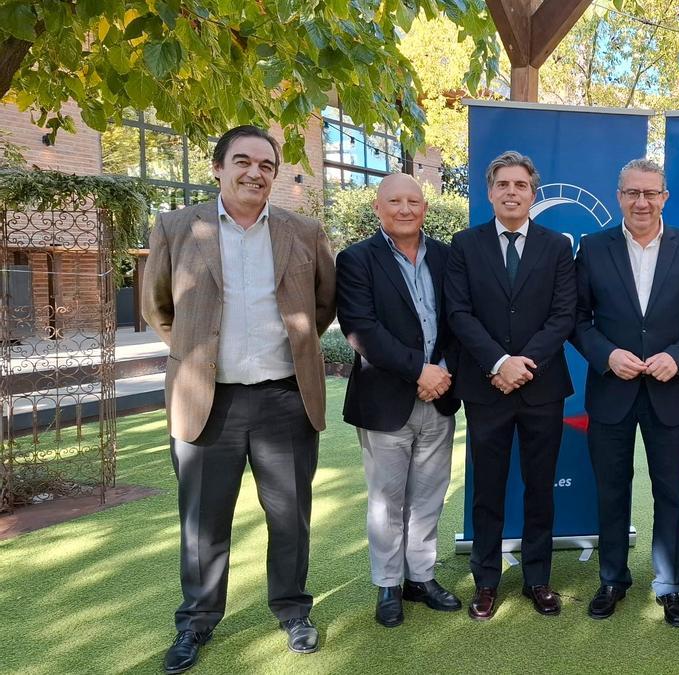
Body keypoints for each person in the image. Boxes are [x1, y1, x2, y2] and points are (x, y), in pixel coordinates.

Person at [142, 125, 336, 673]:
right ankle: (196, 623)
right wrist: (197, 355)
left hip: (284, 399)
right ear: (218, 167)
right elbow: (161, 310)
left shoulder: (304, 231)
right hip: (207, 402)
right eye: (243, 162)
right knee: (203, 523)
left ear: (275, 174)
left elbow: (322, 306)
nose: (255, 173)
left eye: (266, 165)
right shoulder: (178, 228)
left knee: (290, 516)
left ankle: (293, 610)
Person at [572, 159, 679, 627]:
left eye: (651, 193)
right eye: (632, 193)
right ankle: (612, 579)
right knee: (611, 490)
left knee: (670, 491)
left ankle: (671, 585)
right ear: (619, 196)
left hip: (669, 392)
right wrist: (606, 355)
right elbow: (578, 319)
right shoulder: (592, 248)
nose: (641, 202)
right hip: (611, 389)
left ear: (664, 197)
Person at [444, 150, 576, 620]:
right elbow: (458, 313)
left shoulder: (557, 246)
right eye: (504, 184)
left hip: (542, 388)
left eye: (521, 185)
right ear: (490, 191)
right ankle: (485, 581)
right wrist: (499, 363)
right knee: (488, 489)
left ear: (532, 193)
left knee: (540, 488)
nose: (512, 192)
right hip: (486, 389)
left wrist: (524, 364)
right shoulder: (464, 245)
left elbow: (564, 314)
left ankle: (538, 579)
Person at [336, 173, 462, 628]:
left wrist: (441, 370)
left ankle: (421, 578)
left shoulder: (448, 258)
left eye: (414, 201)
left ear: (425, 208)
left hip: (441, 394)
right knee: (387, 500)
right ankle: (388, 584)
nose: (405, 209)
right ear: (378, 207)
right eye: (395, 201)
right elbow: (361, 328)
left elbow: (459, 319)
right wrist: (418, 371)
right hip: (385, 400)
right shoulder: (355, 260)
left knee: (428, 496)